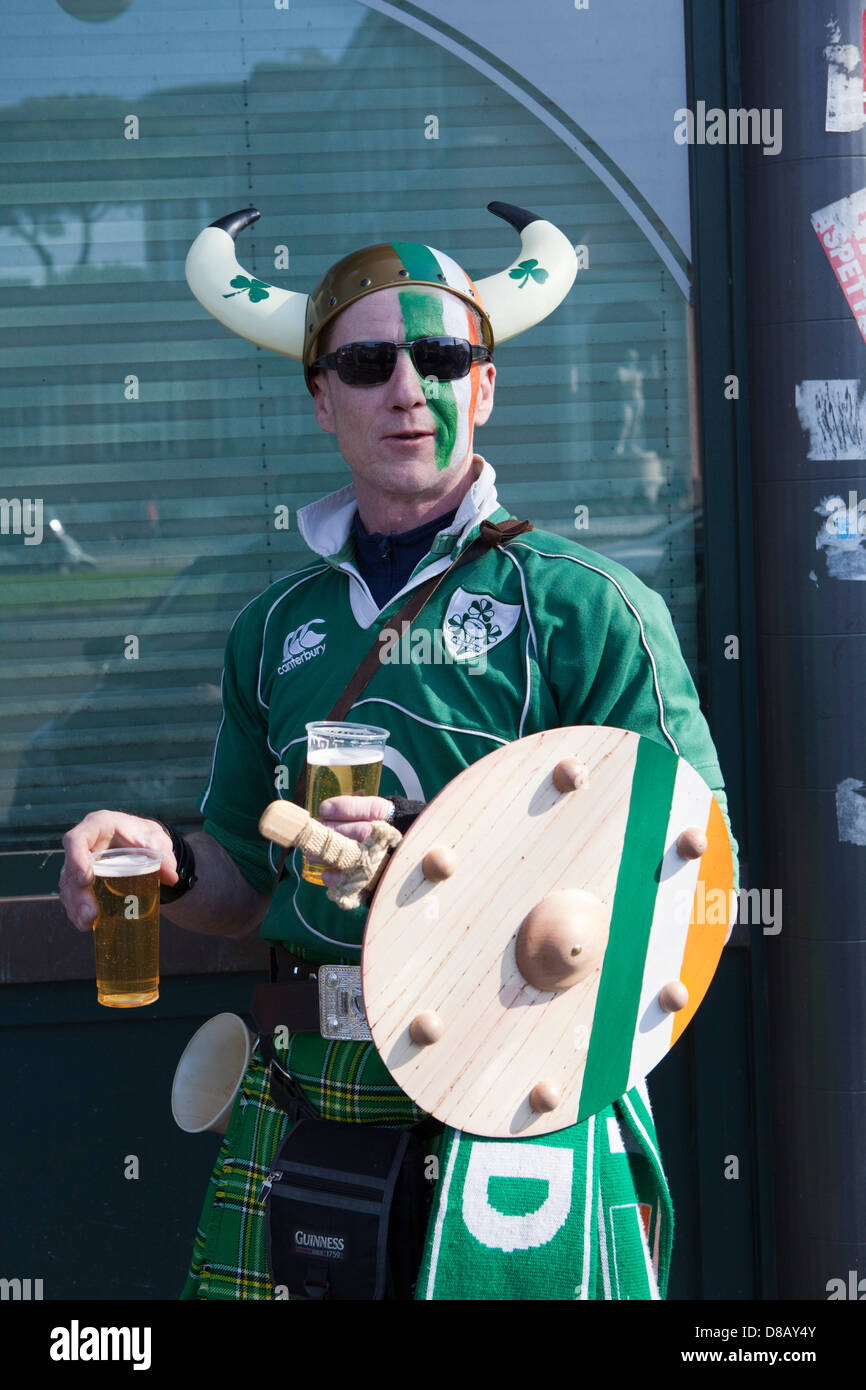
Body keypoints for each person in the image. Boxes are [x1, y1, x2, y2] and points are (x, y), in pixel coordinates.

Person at [59, 202, 738, 1300]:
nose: (404, 388)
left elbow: (689, 865)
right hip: (306, 1090)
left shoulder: (587, 606)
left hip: (521, 1096)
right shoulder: (273, 629)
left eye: (439, 356)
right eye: (368, 361)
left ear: (482, 385)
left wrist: (440, 861)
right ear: (321, 397)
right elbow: (238, 873)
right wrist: (165, 861)